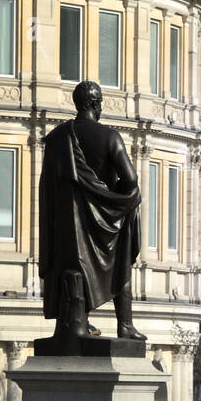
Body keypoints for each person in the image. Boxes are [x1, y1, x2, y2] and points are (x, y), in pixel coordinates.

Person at [39, 79, 144, 345]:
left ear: (77, 104)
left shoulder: (57, 138)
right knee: (121, 262)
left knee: (74, 265)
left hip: (67, 222)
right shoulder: (110, 137)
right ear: (97, 104)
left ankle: (80, 319)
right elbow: (130, 180)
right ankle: (126, 325)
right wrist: (112, 197)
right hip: (104, 220)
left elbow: (47, 187)